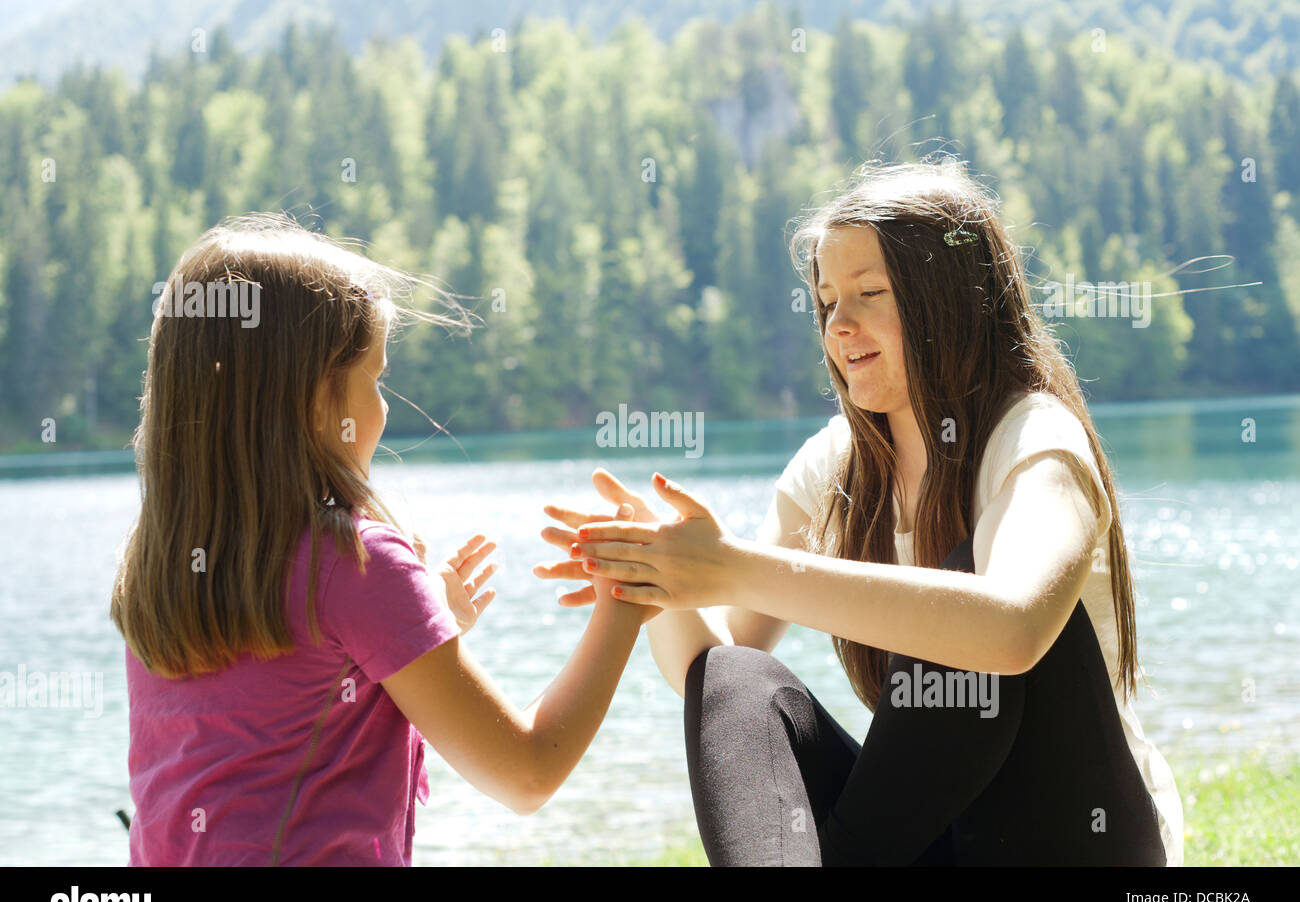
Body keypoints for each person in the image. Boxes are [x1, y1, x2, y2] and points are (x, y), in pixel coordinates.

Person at [535, 161, 1183, 866]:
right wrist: (659, 576)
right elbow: (713, 672)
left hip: (1079, 838)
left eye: (870, 293)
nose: (839, 326)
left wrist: (734, 569)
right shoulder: (831, 469)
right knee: (736, 675)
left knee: (972, 582)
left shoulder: (1034, 437)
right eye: (826, 301)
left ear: (952, 301)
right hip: (932, 839)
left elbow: (1013, 629)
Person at [111, 214, 653, 865]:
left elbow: (278, 707)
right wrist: (623, 595)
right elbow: (527, 770)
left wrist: (424, 624)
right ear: (315, 405)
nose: (387, 408)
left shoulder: (161, 563)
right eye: (374, 379)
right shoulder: (354, 563)